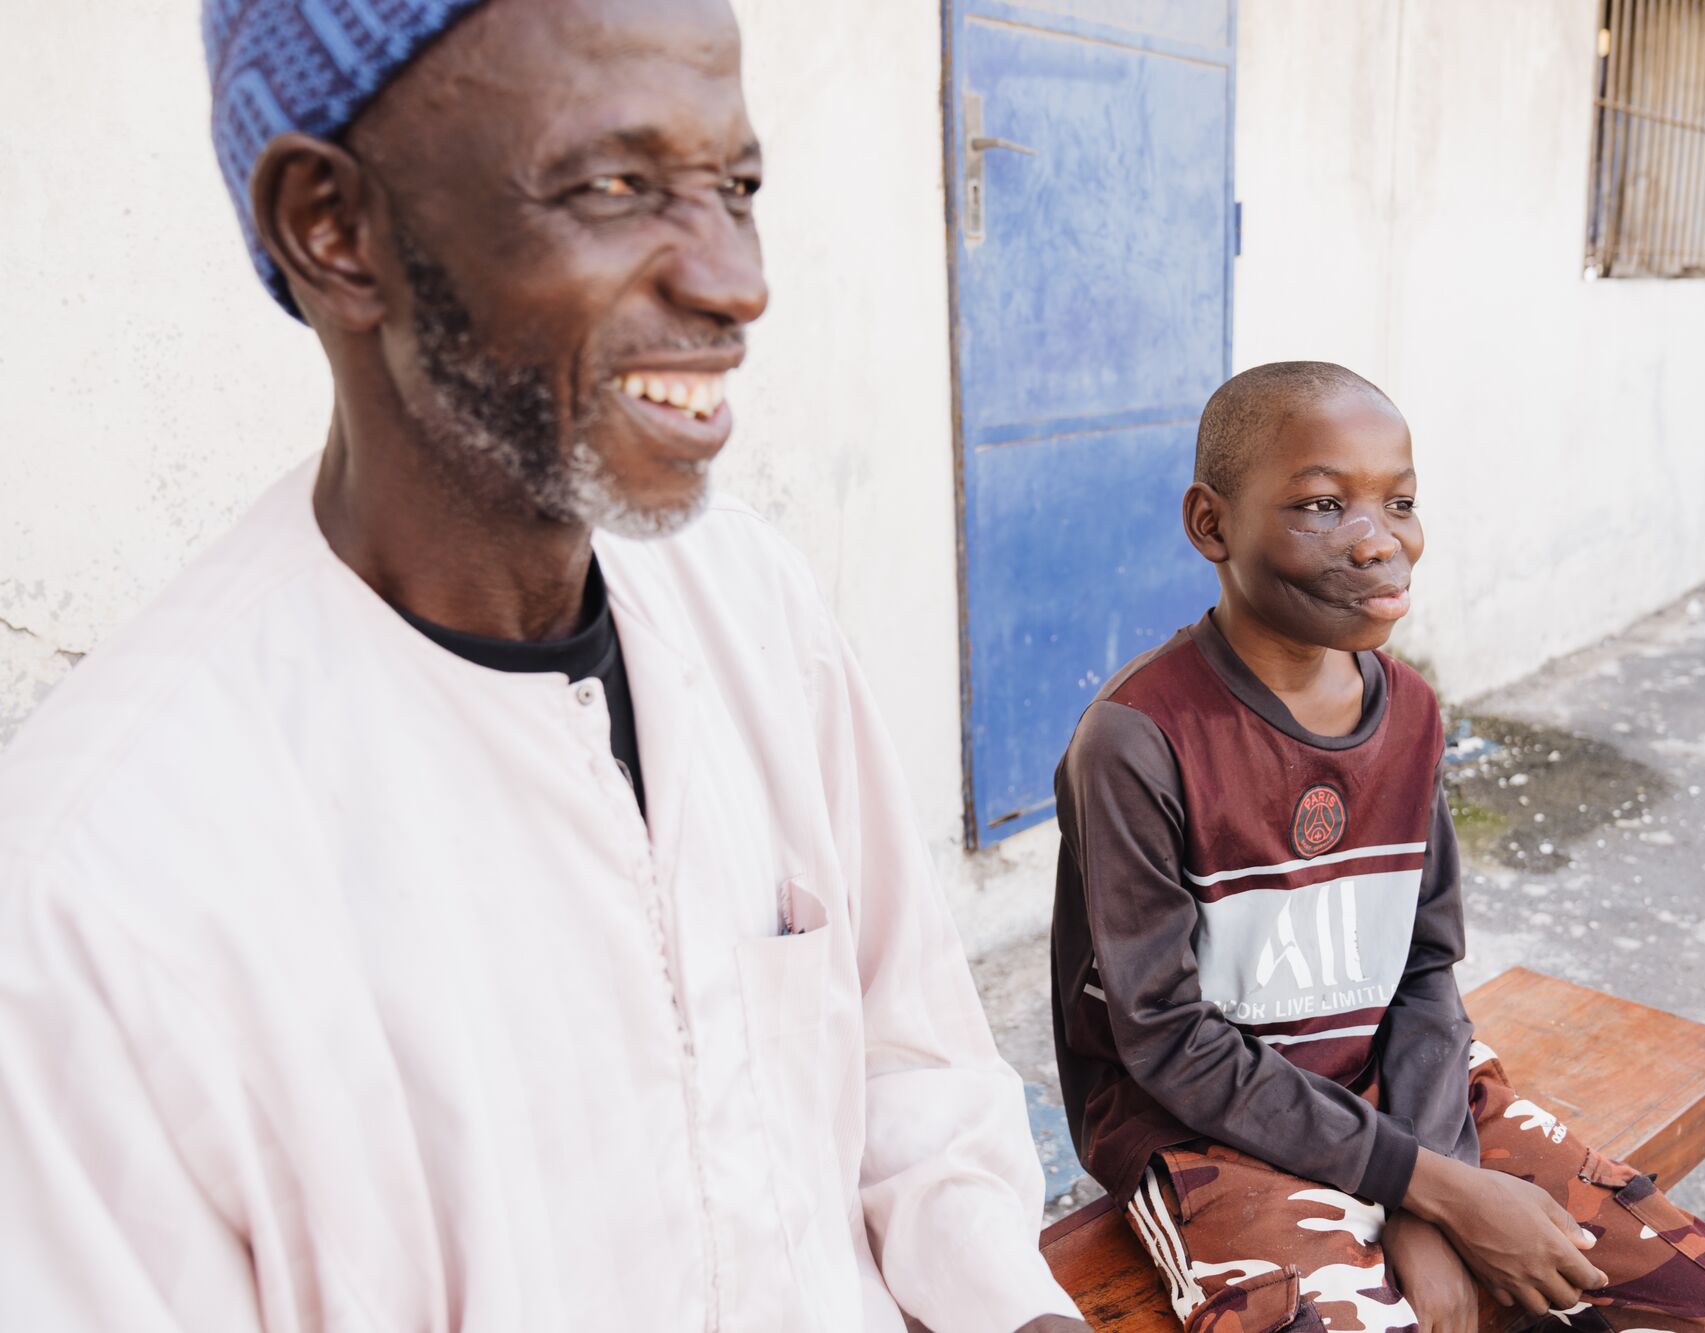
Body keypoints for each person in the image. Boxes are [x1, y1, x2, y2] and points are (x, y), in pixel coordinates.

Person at [0, 2, 1085, 1329]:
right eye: (616, 185)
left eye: (735, 186)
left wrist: (1014, 1308)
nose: (738, 280)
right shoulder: (93, 901)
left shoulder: (751, 605)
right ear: (332, 229)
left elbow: (914, 1080)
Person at [1048, 362, 1705, 1333]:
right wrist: (1429, 1187)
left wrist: (1430, 1195)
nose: (1376, 538)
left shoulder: (1413, 714)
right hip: (1201, 1129)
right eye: (1318, 503)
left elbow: (1425, 969)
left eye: (1398, 501)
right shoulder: (1139, 738)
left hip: (1406, 1091)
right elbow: (1169, 1040)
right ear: (1210, 524)